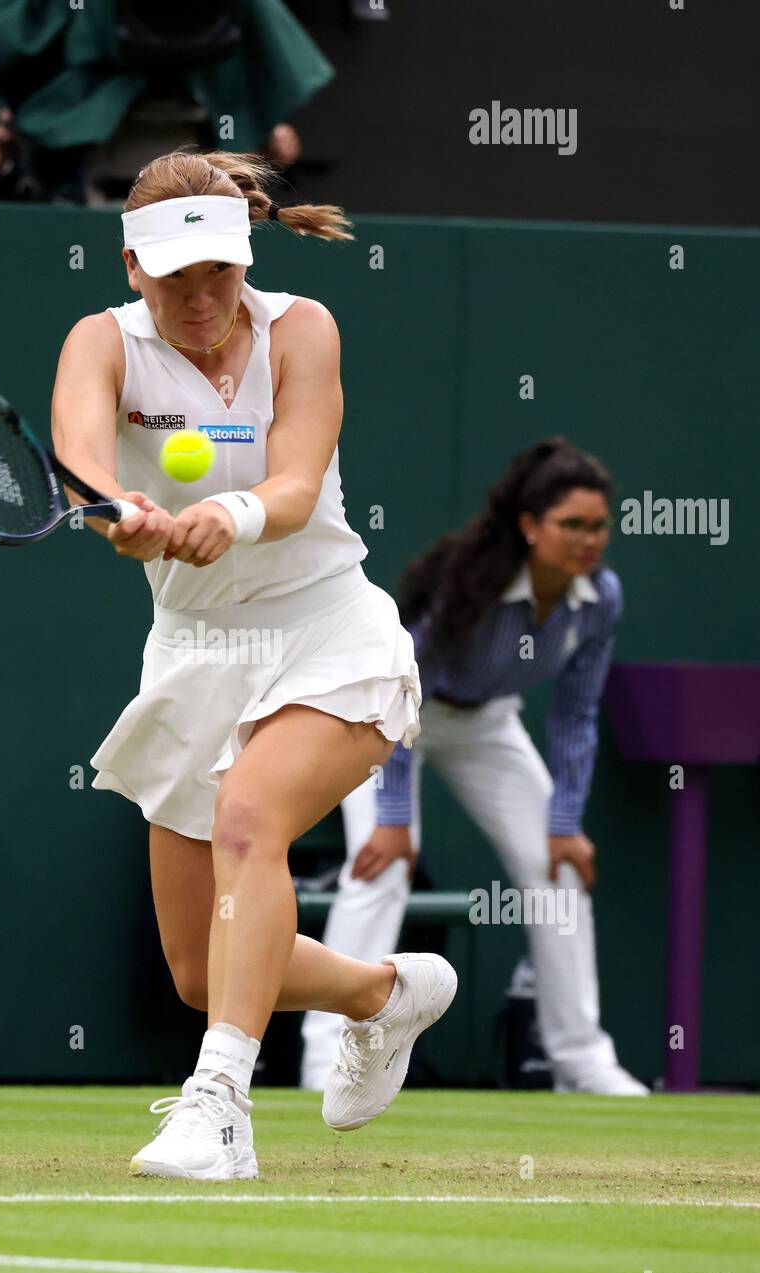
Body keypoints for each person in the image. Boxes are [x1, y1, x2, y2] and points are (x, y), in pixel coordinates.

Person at [49, 148, 456, 1180]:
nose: (199, 298)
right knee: (198, 968)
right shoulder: (100, 343)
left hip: (325, 627)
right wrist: (120, 512)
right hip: (194, 652)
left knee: (249, 821)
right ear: (130, 265)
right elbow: (80, 453)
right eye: (174, 276)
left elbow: (295, 476)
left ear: (243, 259)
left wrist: (225, 514)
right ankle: (381, 994)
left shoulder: (301, 327)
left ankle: (219, 1106)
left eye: (218, 274)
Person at [299, 439, 650, 1097]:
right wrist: (394, 820)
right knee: (382, 865)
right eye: (572, 525)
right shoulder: (470, 583)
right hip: (389, 709)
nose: (589, 540)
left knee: (560, 868)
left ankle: (580, 1060)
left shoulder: (602, 598)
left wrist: (565, 822)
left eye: (599, 525)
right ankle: (326, 1057)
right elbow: (406, 690)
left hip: (486, 722)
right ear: (530, 526)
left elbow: (575, 714)